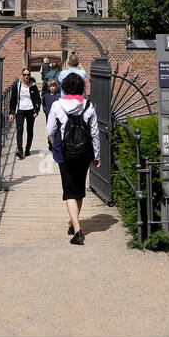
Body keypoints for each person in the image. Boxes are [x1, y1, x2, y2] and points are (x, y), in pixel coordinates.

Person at [46, 71, 100, 244]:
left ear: (65, 87)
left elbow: (50, 131)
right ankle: (73, 221)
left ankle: (77, 231)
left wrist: (56, 144)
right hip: (84, 153)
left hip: (64, 152)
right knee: (79, 188)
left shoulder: (57, 105)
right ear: (81, 88)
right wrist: (96, 155)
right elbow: (95, 133)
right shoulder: (88, 106)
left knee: (69, 189)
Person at [6, 67, 41, 159]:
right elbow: (13, 99)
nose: (26, 76)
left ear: (30, 75)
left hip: (30, 110)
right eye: (24, 75)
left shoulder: (33, 85)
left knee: (30, 131)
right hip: (20, 110)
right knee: (19, 130)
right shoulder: (17, 86)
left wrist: (36, 111)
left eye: (28, 75)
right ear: (22, 75)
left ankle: (27, 149)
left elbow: (38, 99)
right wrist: (11, 112)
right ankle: (20, 150)